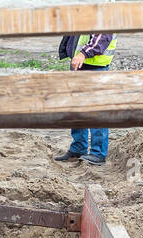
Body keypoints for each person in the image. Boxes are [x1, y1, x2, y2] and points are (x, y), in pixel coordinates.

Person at [53, 32, 116, 166]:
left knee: (97, 111)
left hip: (95, 65)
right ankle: (78, 148)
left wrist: (83, 53)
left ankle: (98, 154)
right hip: (81, 63)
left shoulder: (102, 12)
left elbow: (102, 36)